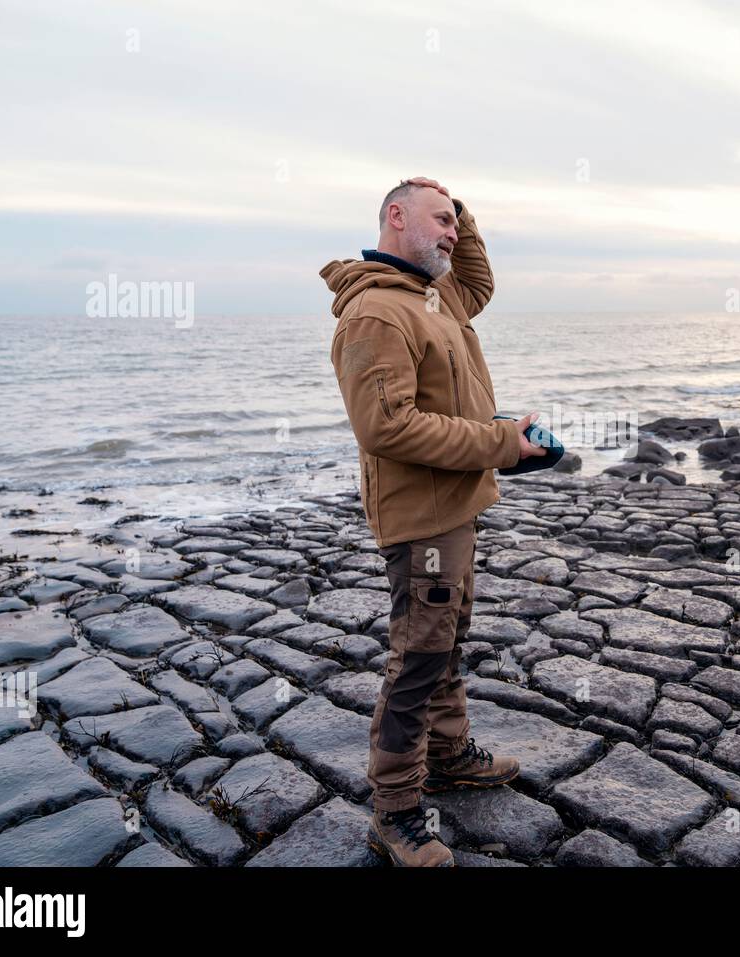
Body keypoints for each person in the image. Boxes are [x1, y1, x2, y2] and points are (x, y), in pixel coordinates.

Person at [321, 176, 546, 866]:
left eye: (454, 223)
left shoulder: (434, 294)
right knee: (417, 657)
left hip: (460, 505)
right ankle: (393, 812)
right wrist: (502, 445)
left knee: (447, 638)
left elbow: (478, 278)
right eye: (439, 220)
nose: (451, 233)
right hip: (421, 519)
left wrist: (464, 212)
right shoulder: (376, 316)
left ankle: (449, 755)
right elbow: (388, 428)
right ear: (394, 217)